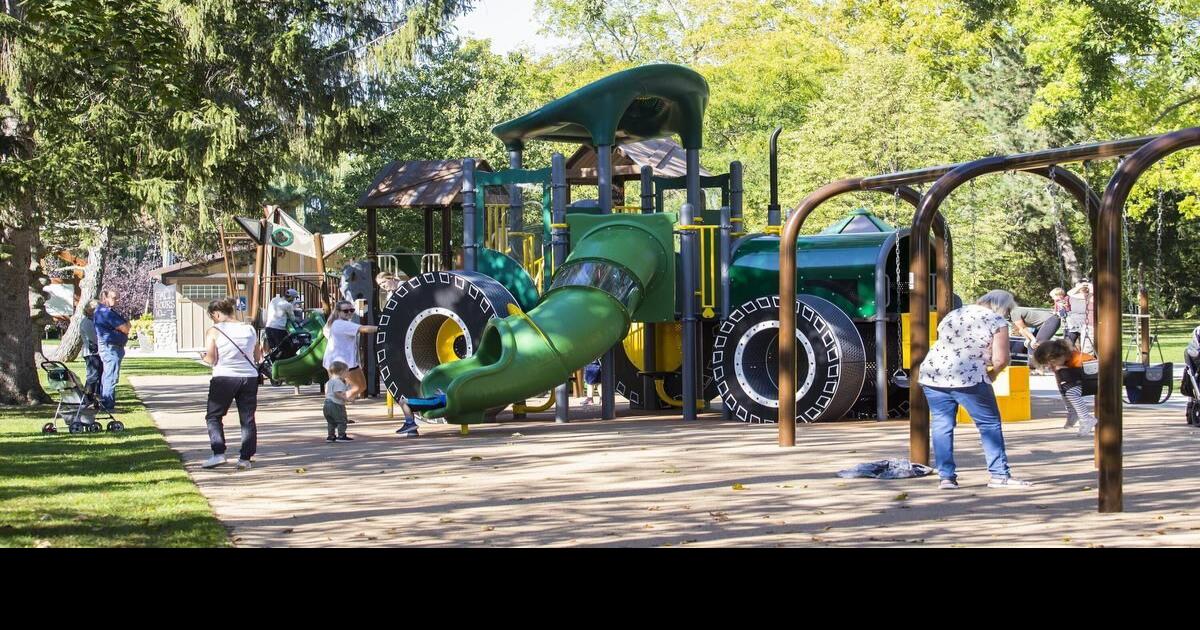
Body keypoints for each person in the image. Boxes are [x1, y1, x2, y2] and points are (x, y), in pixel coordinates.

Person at [917, 289, 1033, 490]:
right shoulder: (996, 321)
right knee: (989, 424)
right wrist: (994, 373)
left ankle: (946, 477)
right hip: (968, 376)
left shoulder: (955, 314)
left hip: (933, 373)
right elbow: (1001, 359)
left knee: (941, 425)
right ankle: (999, 474)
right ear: (1003, 307)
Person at [199, 298, 262, 470]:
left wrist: (202, 357)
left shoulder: (213, 331)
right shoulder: (249, 328)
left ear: (216, 314)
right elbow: (257, 356)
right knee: (247, 418)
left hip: (224, 376)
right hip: (249, 377)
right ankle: (245, 458)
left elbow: (212, 359)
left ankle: (218, 453)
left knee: (214, 416)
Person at [1033, 340, 1098, 436]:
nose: (1051, 366)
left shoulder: (1079, 359)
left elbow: (1089, 373)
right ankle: (1073, 412)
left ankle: (1086, 418)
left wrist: (1065, 370)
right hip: (1083, 382)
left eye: (1052, 363)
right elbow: (1062, 381)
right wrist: (1060, 384)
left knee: (1071, 392)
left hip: (1093, 381)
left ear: (1060, 355)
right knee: (1064, 389)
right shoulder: (1063, 361)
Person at [323, 300, 379, 400]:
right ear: (338, 312)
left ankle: (336, 399)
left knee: (338, 386)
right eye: (345, 311)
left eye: (351, 310)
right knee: (360, 386)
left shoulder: (334, 323)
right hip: (343, 362)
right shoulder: (342, 324)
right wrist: (383, 328)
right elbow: (364, 329)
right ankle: (340, 399)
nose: (349, 312)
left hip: (333, 360)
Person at [93, 289, 131, 411]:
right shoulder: (105, 312)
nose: (117, 300)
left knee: (107, 375)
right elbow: (126, 328)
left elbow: (126, 326)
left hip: (111, 347)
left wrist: (124, 326)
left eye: (118, 298)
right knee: (111, 376)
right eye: (114, 298)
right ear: (105, 297)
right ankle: (107, 405)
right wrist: (123, 327)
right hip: (111, 348)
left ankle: (104, 402)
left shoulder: (105, 311)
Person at [80, 299, 103, 406]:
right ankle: (87, 397)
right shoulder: (87, 322)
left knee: (98, 376)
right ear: (90, 310)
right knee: (93, 375)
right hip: (91, 353)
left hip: (96, 352)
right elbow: (94, 338)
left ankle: (96, 398)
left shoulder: (93, 321)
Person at [264, 288, 301, 355]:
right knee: (286, 349)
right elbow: (293, 318)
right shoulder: (288, 305)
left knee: (274, 349)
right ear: (291, 297)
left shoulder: (274, 299)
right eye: (294, 298)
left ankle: (273, 363)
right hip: (279, 329)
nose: (294, 300)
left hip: (268, 327)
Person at [324, 361, 353, 442]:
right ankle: (341, 435)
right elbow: (337, 393)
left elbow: (327, 392)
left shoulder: (329, 382)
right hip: (336, 404)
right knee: (342, 420)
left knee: (331, 421)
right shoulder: (338, 382)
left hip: (327, 404)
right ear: (341, 372)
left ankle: (331, 436)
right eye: (347, 372)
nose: (348, 374)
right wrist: (347, 399)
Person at [1066, 281, 1095, 352]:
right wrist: (1079, 286)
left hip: (1094, 325)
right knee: (1086, 350)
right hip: (1082, 325)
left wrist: (1090, 286)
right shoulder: (1087, 296)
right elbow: (1070, 293)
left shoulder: (1091, 295)